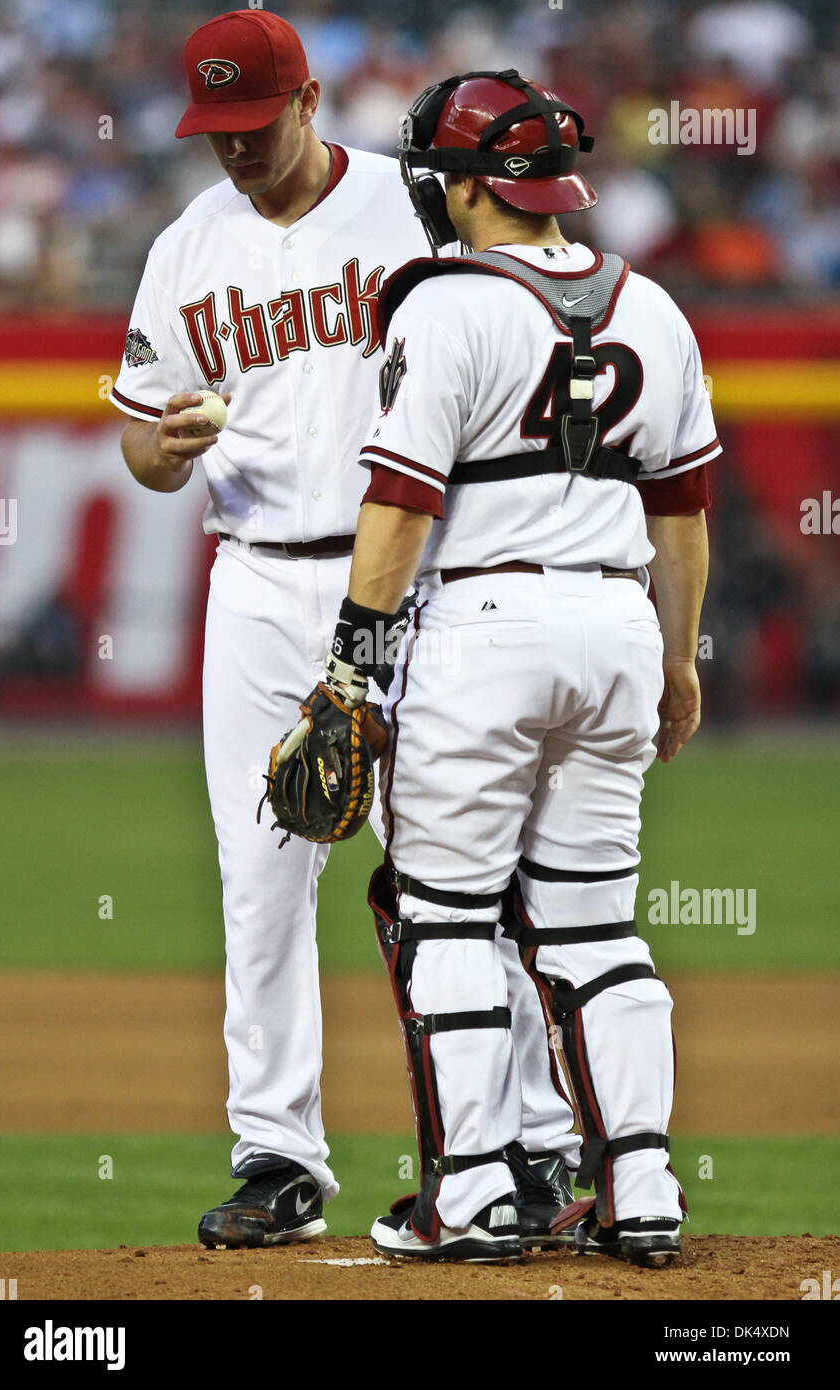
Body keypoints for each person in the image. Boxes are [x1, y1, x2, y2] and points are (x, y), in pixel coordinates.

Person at [109, 14, 577, 1249]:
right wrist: (156, 451)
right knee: (258, 884)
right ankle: (276, 1155)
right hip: (257, 581)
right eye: (215, 133)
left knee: (452, 873)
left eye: (254, 127)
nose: (236, 153)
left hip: (412, 574)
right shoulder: (182, 249)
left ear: (309, 100)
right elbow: (139, 437)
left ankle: (528, 1139)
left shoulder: (413, 211)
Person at [281, 69, 716, 1263]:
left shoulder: (444, 303)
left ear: (467, 187)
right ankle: (640, 1187)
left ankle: (470, 1190)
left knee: (444, 915)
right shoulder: (655, 309)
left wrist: (350, 668)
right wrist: (677, 663)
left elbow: (399, 507)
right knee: (594, 926)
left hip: (484, 628)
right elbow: (680, 516)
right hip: (619, 629)